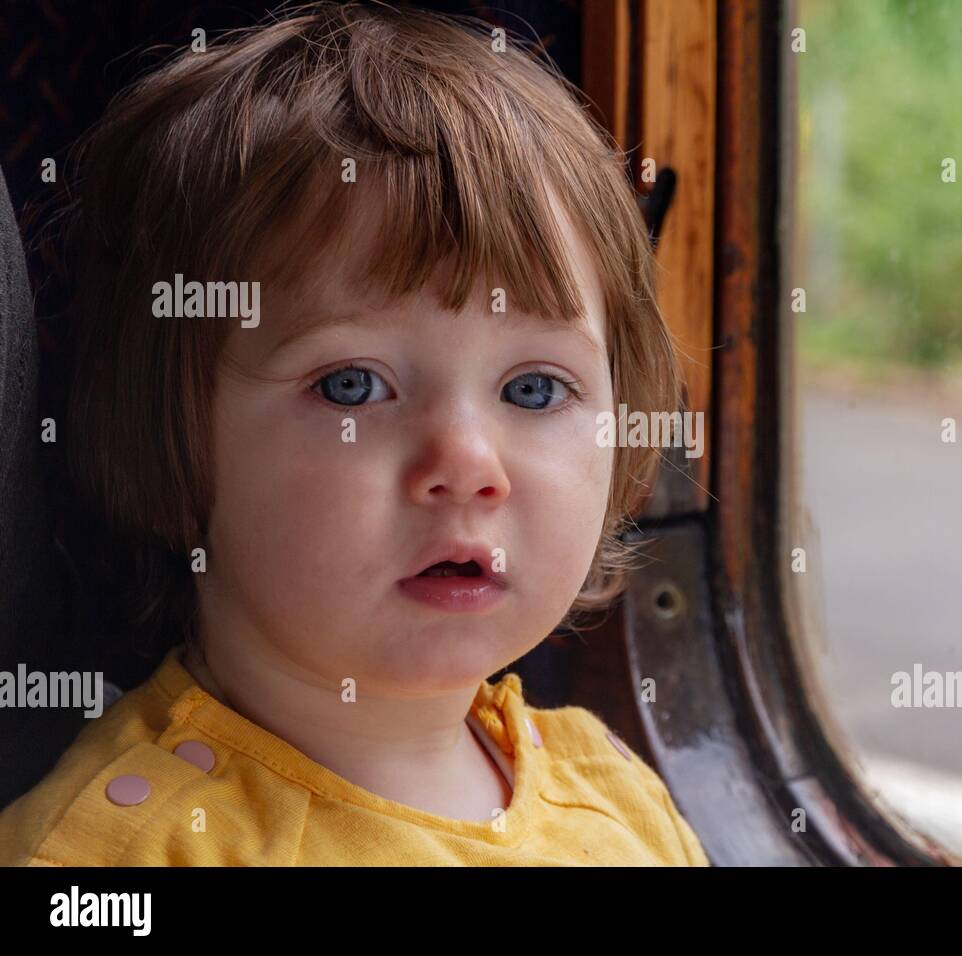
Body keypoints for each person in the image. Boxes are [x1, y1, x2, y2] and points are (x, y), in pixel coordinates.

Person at [0, 1, 706, 866]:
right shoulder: (122, 854)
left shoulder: (616, 796)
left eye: (533, 388)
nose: (467, 466)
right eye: (353, 386)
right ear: (170, 435)